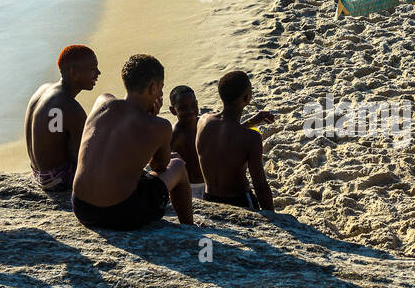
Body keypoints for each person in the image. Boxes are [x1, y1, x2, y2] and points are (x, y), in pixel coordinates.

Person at [72, 54, 194, 228]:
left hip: (81, 208)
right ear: (153, 87)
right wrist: (153, 118)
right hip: (120, 213)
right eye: (160, 88)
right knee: (178, 166)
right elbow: (159, 167)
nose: (160, 94)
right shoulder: (159, 126)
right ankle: (189, 228)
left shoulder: (102, 102)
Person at [23, 45, 100, 192]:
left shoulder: (43, 89)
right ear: (74, 73)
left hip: (38, 174)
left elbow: (53, 135)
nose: (98, 73)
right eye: (93, 69)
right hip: (57, 179)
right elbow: (83, 158)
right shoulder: (69, 107)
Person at [195, 70, 275, 211]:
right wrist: (274, 218)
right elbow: (260, 186)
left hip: (209, 199)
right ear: (246, 98)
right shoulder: (251, 138)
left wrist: (251, 121)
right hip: (239, 202)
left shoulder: (203, 121)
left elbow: (226, 139)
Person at [168, 84, 205, 199]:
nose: (190, 110)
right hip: (190, 186)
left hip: (209, 183)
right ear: (173, 110)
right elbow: (164, 159)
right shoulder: (176, 133)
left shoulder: (202, 124)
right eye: (183, 108)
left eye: (194, 105)